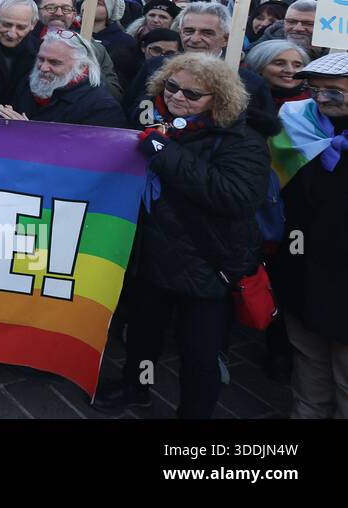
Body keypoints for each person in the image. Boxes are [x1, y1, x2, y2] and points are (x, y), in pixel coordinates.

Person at [94, 54, 274, 417]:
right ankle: (136, 386)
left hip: (205, 265)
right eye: (172, 87)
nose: (178, 97)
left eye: (193, 94)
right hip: (153, 256)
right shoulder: (167, 124)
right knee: (144, 337)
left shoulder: (243, 140)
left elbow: (235, 196)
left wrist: (165, 153)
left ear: (219, 99)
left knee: (199, 353)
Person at [270, 53, 348, 418]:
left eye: (333, 92)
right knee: (309, 362)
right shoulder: (294, 126)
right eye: (314, 89)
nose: (319, 99)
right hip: (303, 270)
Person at [125, 2, 277, 129]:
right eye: (189, 31)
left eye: (207, 33)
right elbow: (131, 108)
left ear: (225, 39)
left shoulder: (249, 82)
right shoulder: (155, 66)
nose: (195, 39)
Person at [0, 32, 127, 128]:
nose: (43, 67)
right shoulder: (26, 84)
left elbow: (95, 155)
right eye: (41, 59)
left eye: (54, 63)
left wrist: (31, 132)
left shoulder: (102, 107)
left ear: (81, 67)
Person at [32, 0, 122, 100]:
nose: (59, 13)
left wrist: (88, 68)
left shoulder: (95, 49)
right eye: (50, 8)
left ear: (74, 14)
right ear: (38, 12)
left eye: (66, 9)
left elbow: (114, 95)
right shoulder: (25, 43)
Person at [89, 0, 139, 90]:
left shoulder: (126, 42)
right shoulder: (71, 34)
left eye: (98, 3)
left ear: (110, 8)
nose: (89, 4)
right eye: (87, 0)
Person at [244, 39, 310, 109]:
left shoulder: (315, 103)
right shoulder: (242, 100)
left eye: (297, 65)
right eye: (279, 64)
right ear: (259, 66)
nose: (290, 70)